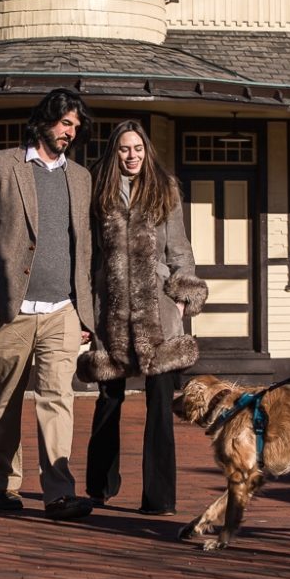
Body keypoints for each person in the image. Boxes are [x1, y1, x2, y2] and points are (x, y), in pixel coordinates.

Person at [0, 88, 96, 521]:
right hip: (11, 309)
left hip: (63, 310)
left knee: (58, 399)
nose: (69, 132)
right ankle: (3, 483)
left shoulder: (81, 177)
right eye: (64, 123)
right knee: (6, 402)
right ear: (44, 121)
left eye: (75, 126)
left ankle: (58, 493)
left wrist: (86, 312)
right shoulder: (0, 165)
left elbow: (85, 249)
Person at [77, 119, 207, 516]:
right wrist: (86, 309)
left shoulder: (165, 190)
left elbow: (180, 251)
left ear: (146, 151)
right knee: (108, 402)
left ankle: (159, 498)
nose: (131, 156)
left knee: (160, 407)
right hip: (111, 314)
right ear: (114, 152)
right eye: (123, 149)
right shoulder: (97, 192)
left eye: (137, 149)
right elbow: (88, 255)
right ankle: (100, 487)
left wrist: (183, 299)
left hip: (159, 316)